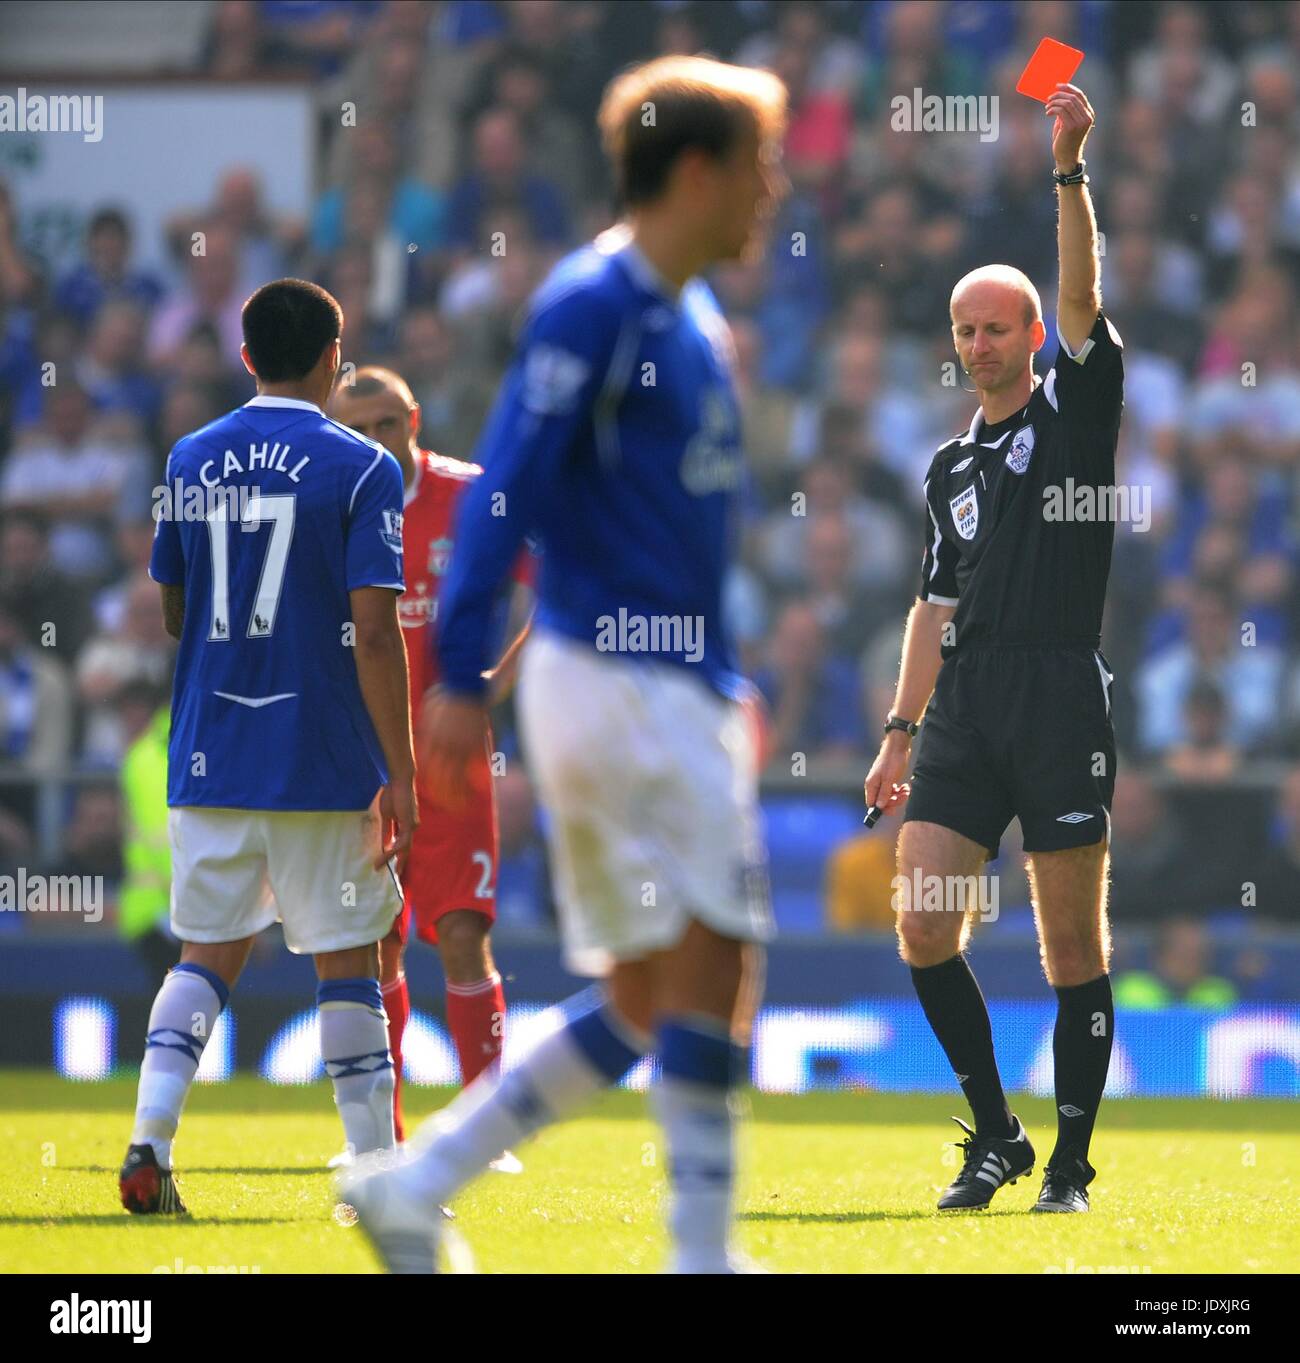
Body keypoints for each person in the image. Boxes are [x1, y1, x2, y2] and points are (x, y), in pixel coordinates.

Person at [341, 54, 788, 1274]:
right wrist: (456, 663)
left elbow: (677, 529)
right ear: (694, 172)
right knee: (718, 951)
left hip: (668, 678)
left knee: (654, 986)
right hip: (614, 677)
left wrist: (719, 671)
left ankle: (417, 1181)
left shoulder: (687, 314)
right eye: (759, 166)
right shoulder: (595, 304)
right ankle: (701, 1253)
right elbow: (508, 487)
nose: (774, 192)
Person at [864, 85, 1123, 1213]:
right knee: (923, 918)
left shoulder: (1074, 414)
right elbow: (933, 605)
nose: (979, 344)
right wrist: (896, 731)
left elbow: (1081, 291)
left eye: (998, 327)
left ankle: (1068, 1163)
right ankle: (996, 1132)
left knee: (1071, 951)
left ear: (1031, 338)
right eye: (965, 330)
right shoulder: (945, 469)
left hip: (1059, 694)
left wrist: (1066, 169)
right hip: (966, 703)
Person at [119, 278, 415, 1215]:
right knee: (346, 961)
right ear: (336, 357)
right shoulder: (364, 468)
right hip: (320, 757)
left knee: (203, 953)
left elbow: (173, 608)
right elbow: (374, 634)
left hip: (210, 750)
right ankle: (375, 1176)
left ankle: (149, 1144)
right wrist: (399, 773)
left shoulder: (189, 457)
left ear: (246, 358)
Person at [328, 365, 532, 1159]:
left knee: (458, 932)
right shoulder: (330, 502)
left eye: (386, 423)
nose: (374, 440)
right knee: (375, 941)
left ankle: (488, 1130)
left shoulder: (474, 495)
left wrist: (490, 686)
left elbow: (550, 591)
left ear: (414, 418)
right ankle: (384, 1133)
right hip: (358, 757)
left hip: (450, 756)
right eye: (357, 428)